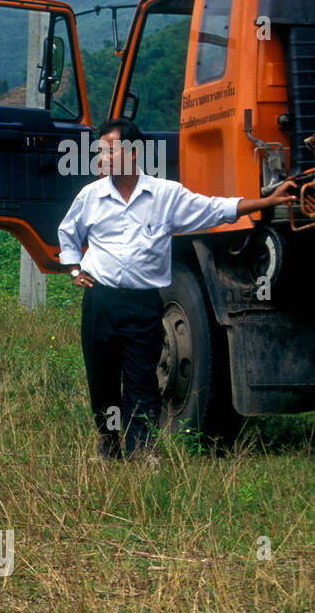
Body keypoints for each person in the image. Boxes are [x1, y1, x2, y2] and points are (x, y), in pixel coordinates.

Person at [58, 119, 296, 459]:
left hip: (143, 305)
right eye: (100, 152)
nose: (102, 158)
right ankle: (109, 444)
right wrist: (73, 269)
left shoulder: (165, 196)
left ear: (133, 152)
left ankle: (141, 450)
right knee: (103, 381)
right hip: (101, 301)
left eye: (109, 151)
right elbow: (68, 233)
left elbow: (216, 209)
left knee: (142, 380)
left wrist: (265, 202)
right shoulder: (91, 197)